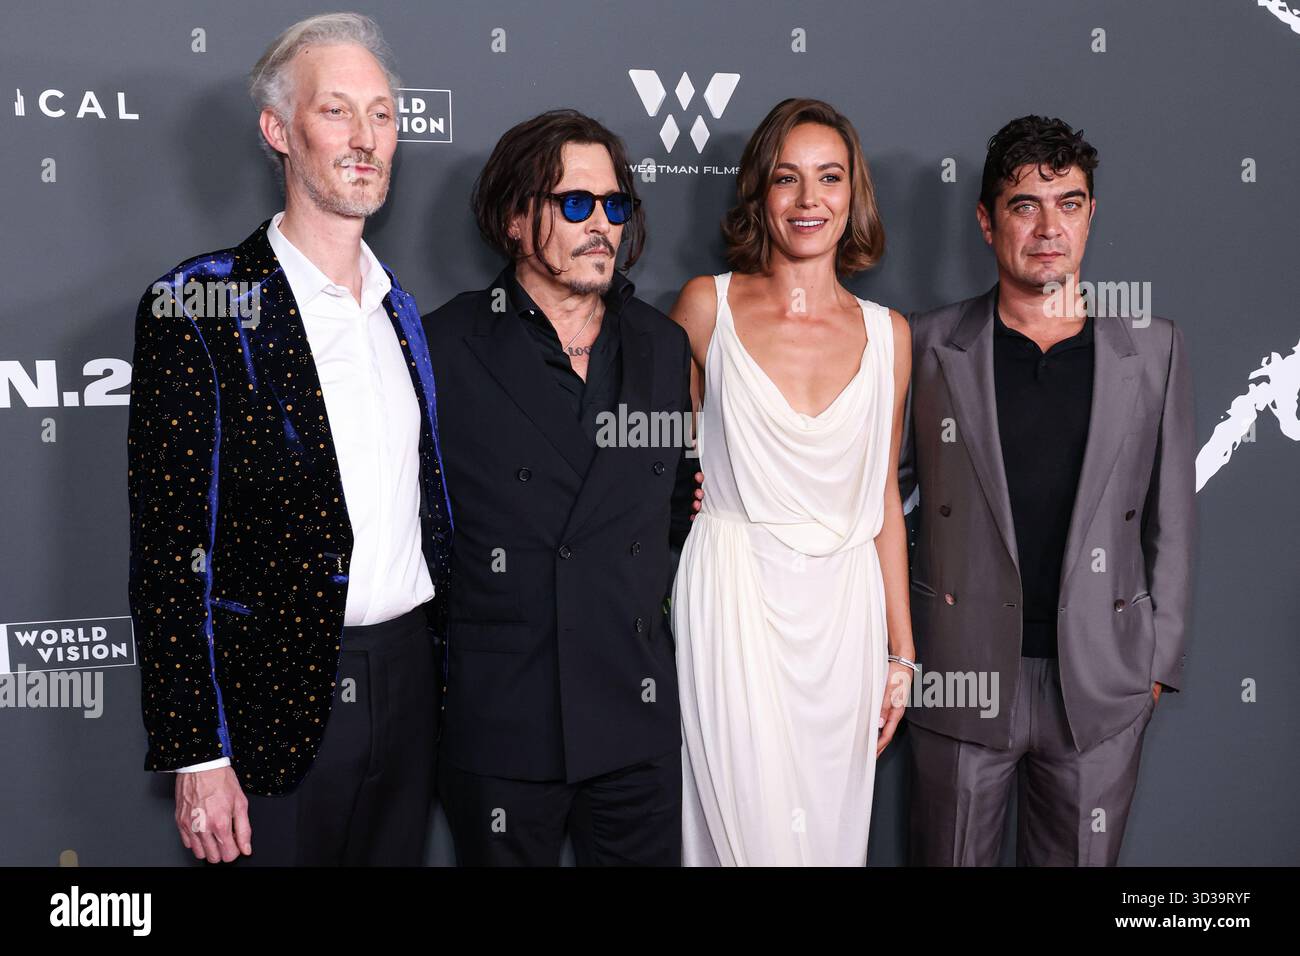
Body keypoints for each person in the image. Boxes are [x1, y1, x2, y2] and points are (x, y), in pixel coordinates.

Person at [126, 12, 451, 865]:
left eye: (382, 114)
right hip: (276, 698)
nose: (366, 137)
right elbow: (168, 547)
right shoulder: (202, 304)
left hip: (411, 680)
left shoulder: (401, 310)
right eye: (336, 111)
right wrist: (199, 749)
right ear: (279, 131)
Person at [900, 115, 1195, 866]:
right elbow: (872, 496)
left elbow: (1173, 519)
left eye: (1068, 202)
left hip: (1099, 681)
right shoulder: (926, 344)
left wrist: (1156, 662)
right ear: (986, 219)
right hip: (960, 672)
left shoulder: (1152, 348)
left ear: (1091, 213)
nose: (1047, 227)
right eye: (1025, 204)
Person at [421, 109, 697, 866]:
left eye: (614, 205)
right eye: (574, 204)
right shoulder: (444, 346)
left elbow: (672, 506)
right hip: (505, 718)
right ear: (516, 217)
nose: (600, 223)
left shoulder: (661, 345)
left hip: (632, 713)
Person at [669, 98, 915, 866]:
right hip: (733, 599)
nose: (810, 201)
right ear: (760, 194)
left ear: (854, 194)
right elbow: (664, 468)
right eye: (788, 179)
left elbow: (882, 505)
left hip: (845, 618)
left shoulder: (890, 336)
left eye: (830, 178)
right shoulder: (706, 307)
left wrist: (901, 654)